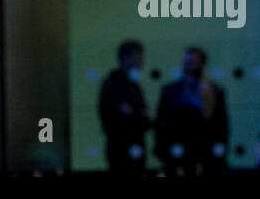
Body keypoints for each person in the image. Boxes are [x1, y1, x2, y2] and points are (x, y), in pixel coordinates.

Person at [154, 46, 228, 175]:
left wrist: (219, 149)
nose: (187, 67)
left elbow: (222, 123)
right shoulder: (170, 90)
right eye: (185, 63)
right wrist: (163, 151)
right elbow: (161, 121)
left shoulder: (215, 91)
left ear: (202, 65)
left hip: (205, 150)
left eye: (192, 63)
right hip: (177, 149)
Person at [98, 40, 150, 174]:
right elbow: (115, 116)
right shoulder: (113, 84)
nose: (141, 61)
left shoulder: (133, 85)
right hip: (121, 147)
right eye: (138, 56)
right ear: (128, 57)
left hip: (132, 145)